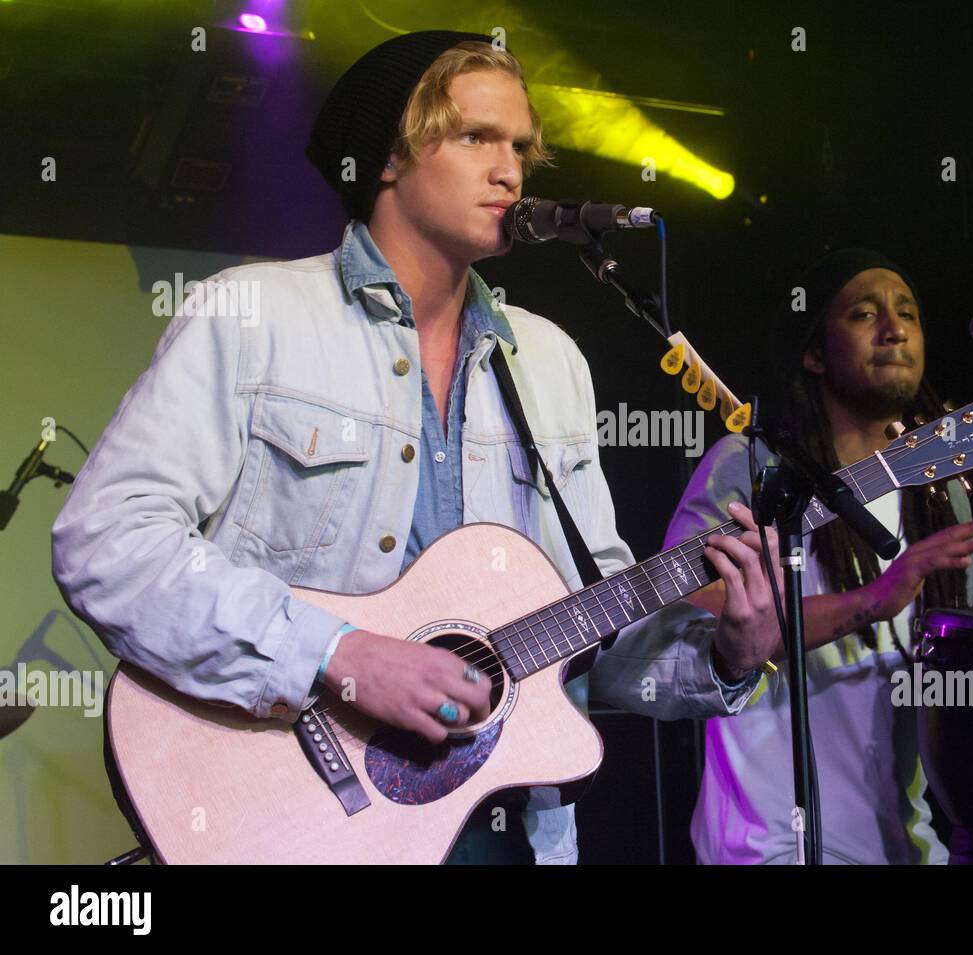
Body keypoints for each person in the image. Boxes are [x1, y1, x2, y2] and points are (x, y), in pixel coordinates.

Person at [50, 31, 781, 865]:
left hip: (515, 837)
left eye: (520, 148)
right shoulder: (252, 315)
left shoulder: (550, 364)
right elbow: (105, 541)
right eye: (477, 138)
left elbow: (594, 646)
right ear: (388, 159)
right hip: (296, 819)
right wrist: (340, 655)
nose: (510, 171)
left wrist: (726, 655)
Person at [665, 248, 973, 864]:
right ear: (814, 352)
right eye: (865, 315)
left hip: (907, 842)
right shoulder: (753, 466)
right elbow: (694, 626)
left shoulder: (939, 487)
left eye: (908, 315)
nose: (894, 330)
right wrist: (876, 598)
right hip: (773, 845)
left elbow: (936, 678)